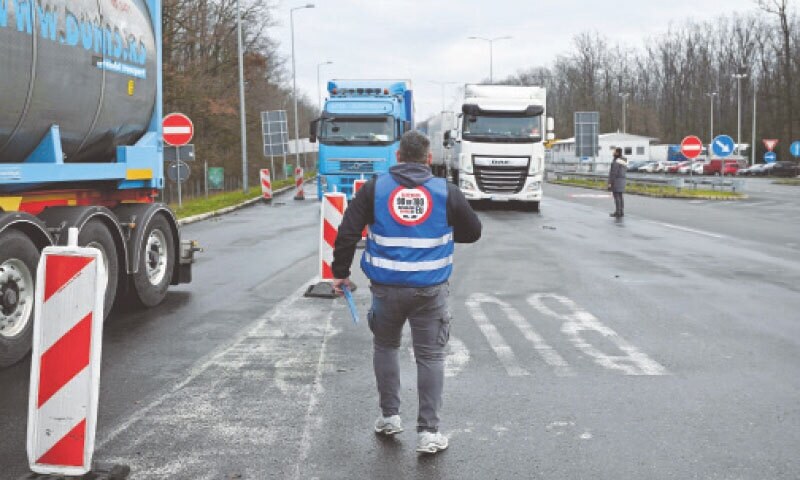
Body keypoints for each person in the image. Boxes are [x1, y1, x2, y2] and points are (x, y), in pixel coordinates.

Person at [331, 130, 482, 454]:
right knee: (430, 356)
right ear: (429, 159)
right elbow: (473, 232)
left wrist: (340, 273)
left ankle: (389, 417)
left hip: (386, 290)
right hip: (430, 291)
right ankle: (428, 433)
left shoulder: (375, 189)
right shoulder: (446, 191)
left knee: (385, 347)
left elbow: (346, 232)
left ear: (397, 157)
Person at [608, 147, 628, 217]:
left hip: (616, 180)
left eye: (614, 151)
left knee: (616, 197)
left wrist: (610, 182)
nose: (613, 152)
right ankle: (621, 211)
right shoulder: (624, 160)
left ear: (617, 153)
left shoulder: (616, 161)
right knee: (620, 196)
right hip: (622, 180)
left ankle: (618, 212)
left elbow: (614, 172)